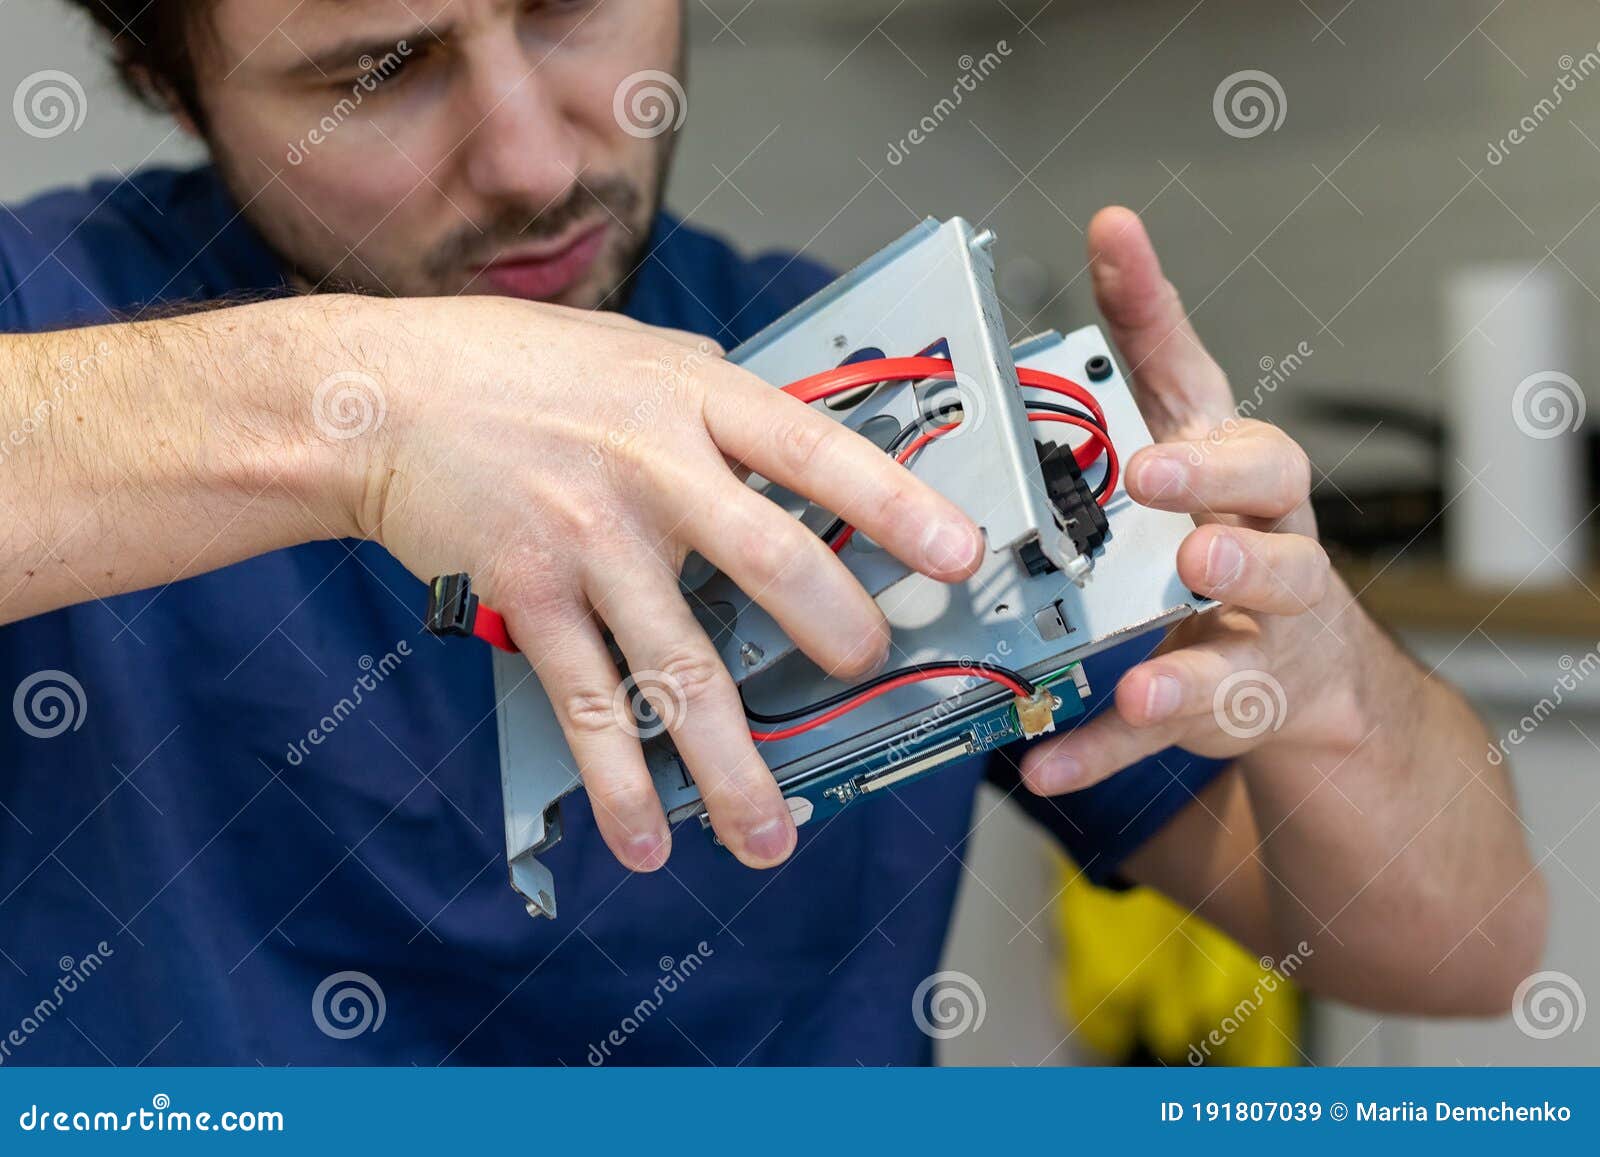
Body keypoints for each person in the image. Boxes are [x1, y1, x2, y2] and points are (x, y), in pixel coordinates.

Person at [0, 0, 1544, 1066]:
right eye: (381, 68)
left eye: (570, 7)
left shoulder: (859, 380)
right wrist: (362, 402)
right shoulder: (49, 322)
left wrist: (1326, 676)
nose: (535, 160)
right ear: (166, 75)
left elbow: (1463, 956)